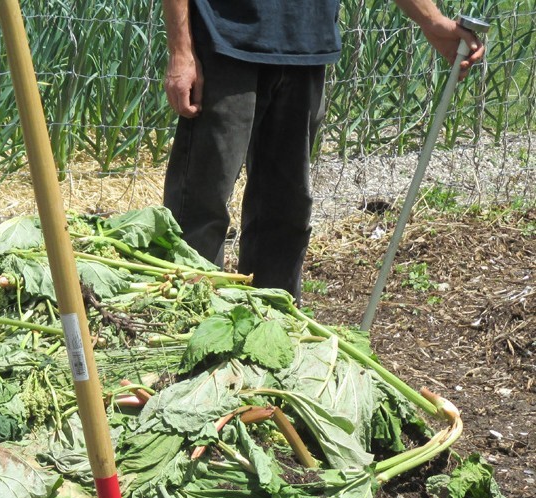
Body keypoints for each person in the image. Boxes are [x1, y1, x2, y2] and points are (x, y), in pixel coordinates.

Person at [161, 0, 485, 297]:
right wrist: (181, 50)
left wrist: (431, 20)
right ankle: (189, 317)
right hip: (224, 43)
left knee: (287, 205)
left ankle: (274, 322)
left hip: (307, 47)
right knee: (201, 204)